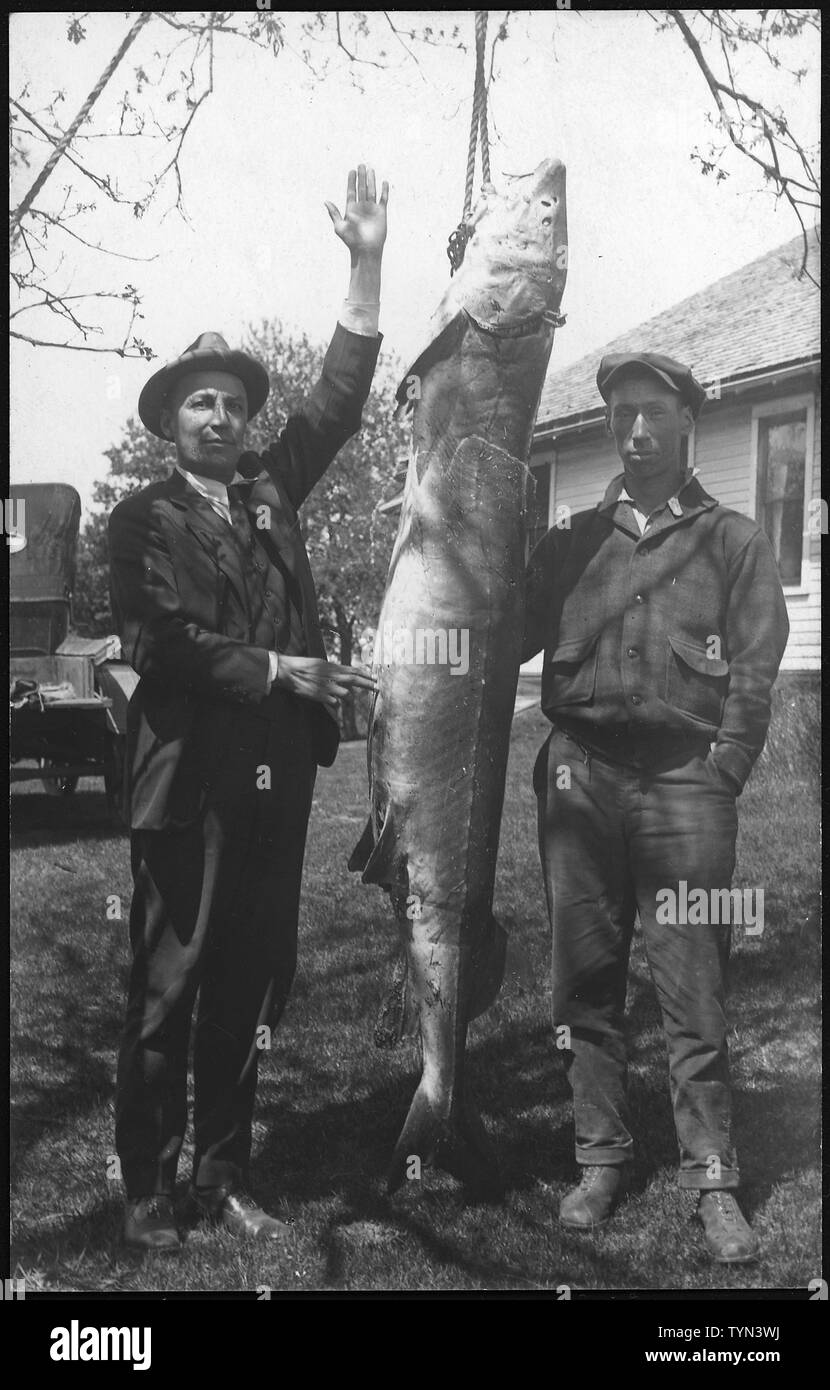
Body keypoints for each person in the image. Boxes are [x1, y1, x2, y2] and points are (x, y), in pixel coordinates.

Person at [108, 165, 387, 1251]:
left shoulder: (272, 491)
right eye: (201, 401)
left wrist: (364, 262)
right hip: (187, 785)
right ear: (169, 422)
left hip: (274, 787)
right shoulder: (140, 522)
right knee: (168, 986)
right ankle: (146, 1187)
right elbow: (161, 643)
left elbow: (340, 399)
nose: (220, 416)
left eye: (232, 402)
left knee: (249, 983)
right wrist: (282, 671)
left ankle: (223, 1174)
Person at [523, 351, 789, 1263]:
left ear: (686, 423)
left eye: (653, 414)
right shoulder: (569, 543)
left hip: (686, 787)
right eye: (621, 415)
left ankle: (712, 1177)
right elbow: (502, 633)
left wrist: (727, 767)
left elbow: (756, 664)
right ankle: (599, 1159)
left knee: (693, 981)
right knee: (583, 980)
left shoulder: (733, 541)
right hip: (580, 784)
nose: (635, 432)